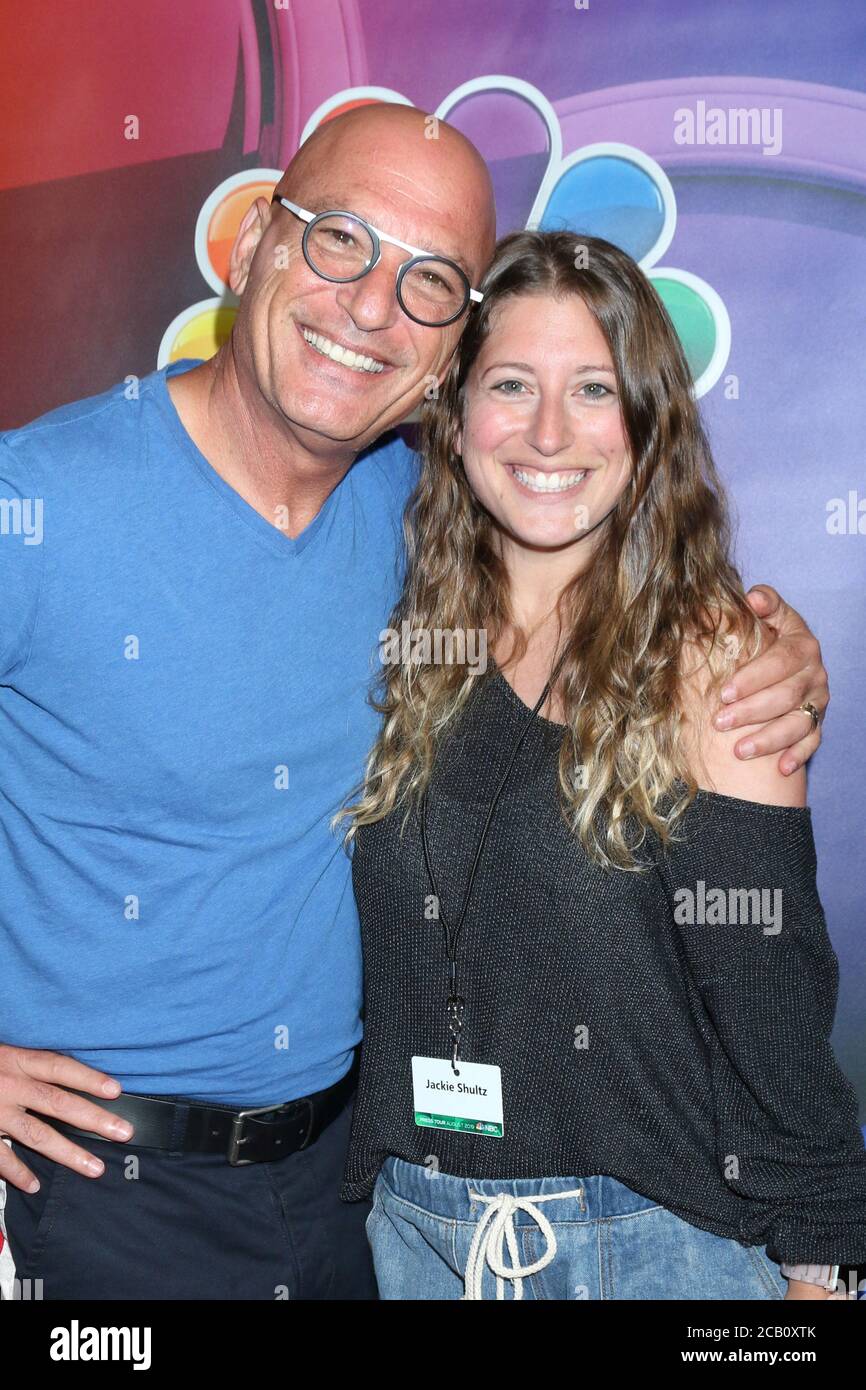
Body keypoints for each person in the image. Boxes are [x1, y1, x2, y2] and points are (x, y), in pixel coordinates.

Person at [0, 105, 830, 1301]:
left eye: (429, 280)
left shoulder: (430, 526)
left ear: (445, 357)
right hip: (99, 1202)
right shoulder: (43, 503)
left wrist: (767, 655)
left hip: (360, 1199)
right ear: (251, 246)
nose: (370, 305)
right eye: (339, 239)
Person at [337, 230, 866, 1301]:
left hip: (644, 1250)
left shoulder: (710, 654)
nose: (545, 431)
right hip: (415, 1237)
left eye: (589, 388)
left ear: (646, 419)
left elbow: (766, 993)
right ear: (452, 412)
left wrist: (820, 1270)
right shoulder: (413, 631)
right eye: (510, 385)